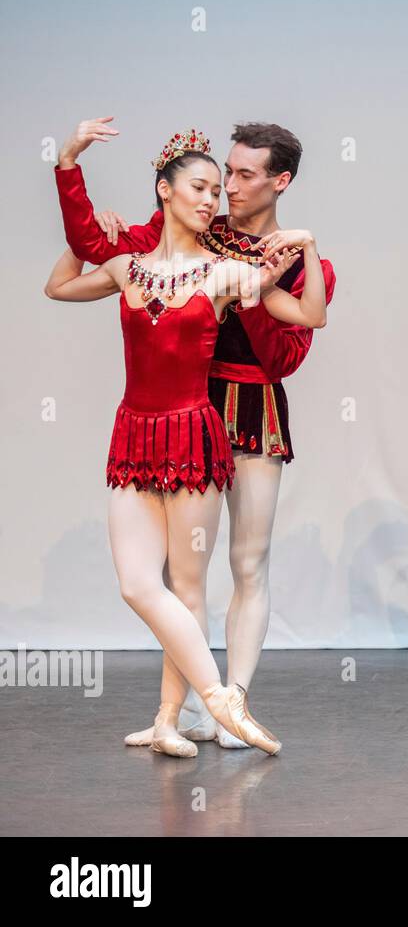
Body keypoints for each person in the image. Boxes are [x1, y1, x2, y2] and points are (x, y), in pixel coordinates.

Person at [53, 117, 337, 749]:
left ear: (278, 181)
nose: (224, 192)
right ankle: (181, 712)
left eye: (238, 177)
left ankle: (229, 701)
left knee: (245, 561)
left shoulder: (253, 262)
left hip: (242, 405)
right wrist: (73, 171)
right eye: (215, 179)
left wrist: (289, 259)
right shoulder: (180, 237)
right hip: (177, 409)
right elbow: (95, 255)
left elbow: (296, 336)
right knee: (171, 578)